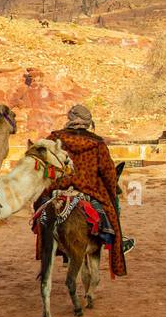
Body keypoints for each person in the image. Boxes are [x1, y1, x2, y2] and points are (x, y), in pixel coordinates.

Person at [43, 104, 133, 276]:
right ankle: (120, 243)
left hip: (60, 187)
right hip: (91, 189)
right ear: (88, 122)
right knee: (113, 208)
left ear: (70, 118)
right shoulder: (97, 143)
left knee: (42, 210)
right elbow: (108, 172)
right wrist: (111, 191)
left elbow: (45, 164)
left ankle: (45, 245)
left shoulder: (54, 138)